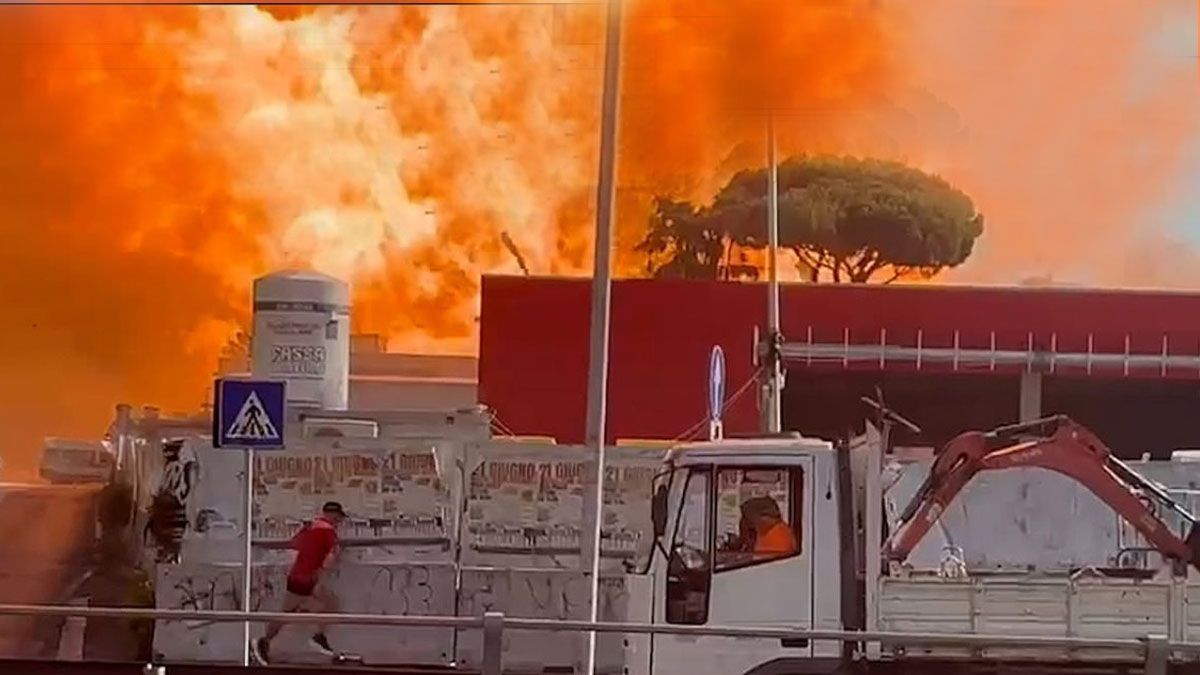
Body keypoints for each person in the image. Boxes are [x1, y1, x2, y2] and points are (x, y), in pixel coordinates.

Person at [252, 501, 346, 664]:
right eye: (338, 518)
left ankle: (316, 635)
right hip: (308, 578)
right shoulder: (328, 531)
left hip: (300, 575)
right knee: (292, 612)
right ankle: (263, 641)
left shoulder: (310, 527)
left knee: (327, 604)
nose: (339, 522)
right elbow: (333, 554)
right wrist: (322, 570)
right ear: (332, 514)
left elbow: (294, 543)